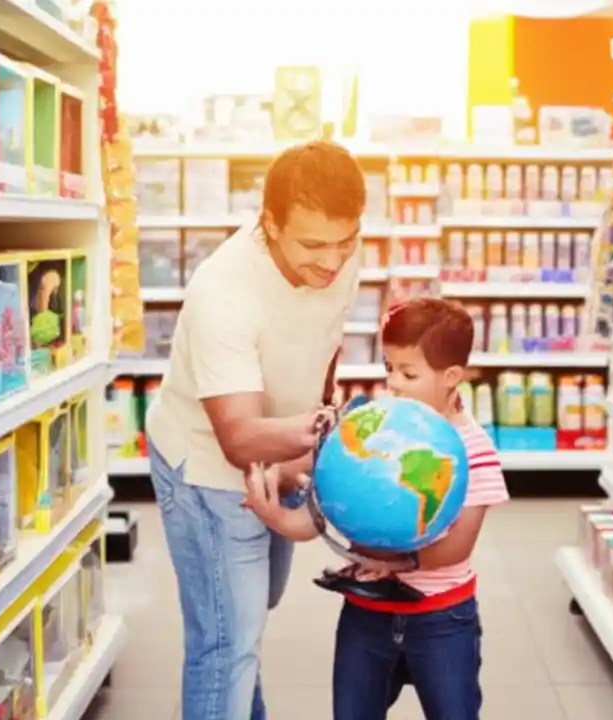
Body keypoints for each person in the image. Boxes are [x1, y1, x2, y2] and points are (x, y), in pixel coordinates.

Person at [143, 140, 366, 720]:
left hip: (283, 457)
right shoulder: (225, 291)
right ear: (270, 223)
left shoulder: (340, 249)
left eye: (345, 241)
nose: (334, 261)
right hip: (209, 470)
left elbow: (326, 337)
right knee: (226, 644)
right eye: (314, 245)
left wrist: (317, 411)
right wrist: (332, 433)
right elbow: (238, 438)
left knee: (249, 613)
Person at [244, 297, 510, 720]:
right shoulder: (370, 432)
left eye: (408, 373)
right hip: (366, 616)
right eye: (389, 368)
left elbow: (458, 547)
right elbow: (318, 517)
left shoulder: (472, 450)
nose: (394, 383)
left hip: (441, 618)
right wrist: (274, 515)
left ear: (451, 377)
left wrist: (391, 562)